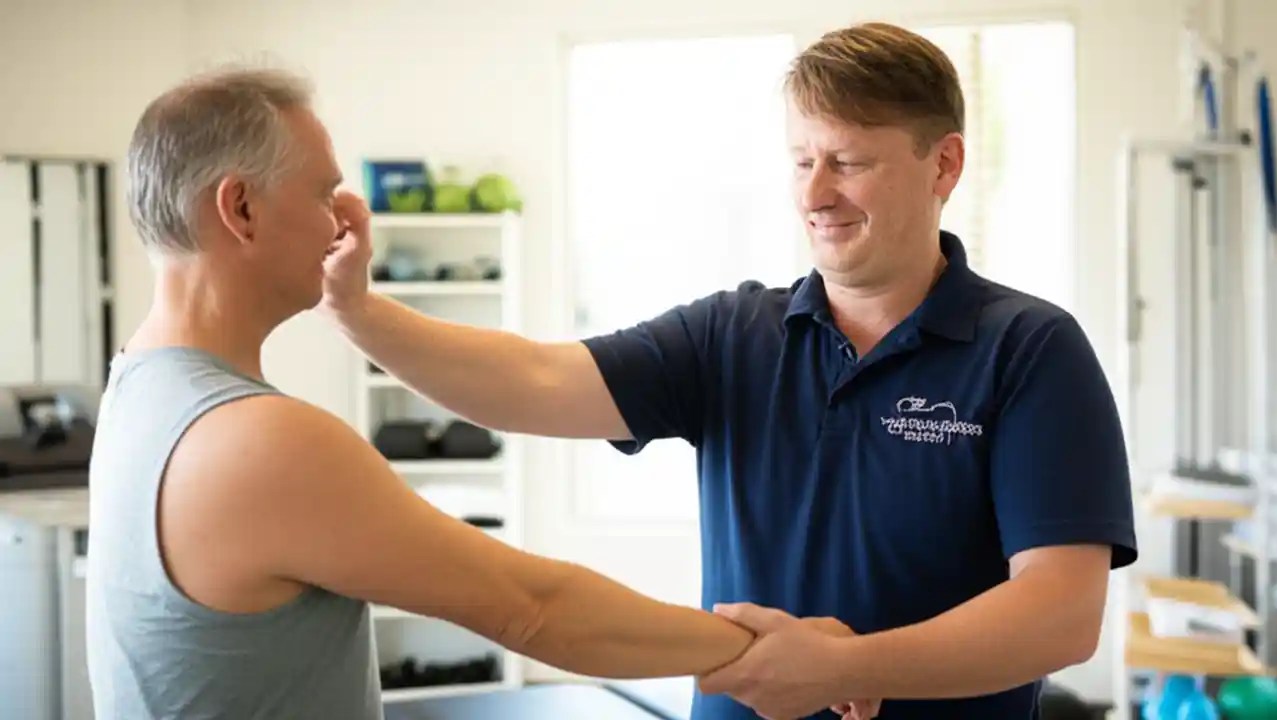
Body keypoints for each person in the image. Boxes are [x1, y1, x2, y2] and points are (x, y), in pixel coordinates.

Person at [320, 21, 1138, 720]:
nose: (815, 193)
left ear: (945, 166)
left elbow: (1059, 615)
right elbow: (531, 380)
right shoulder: (731, 335)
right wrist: (358, 311)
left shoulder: (1029, 349)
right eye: (800, 160)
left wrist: (856, 667)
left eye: (848, 161)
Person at [84, 67, 878, 720]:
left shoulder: (139, 385)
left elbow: (533, 382)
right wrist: (767, 655)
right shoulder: (258, 441)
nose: (340, 222)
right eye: (323, 193)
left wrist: (353, 308)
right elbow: (532, 607)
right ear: (242, 208)